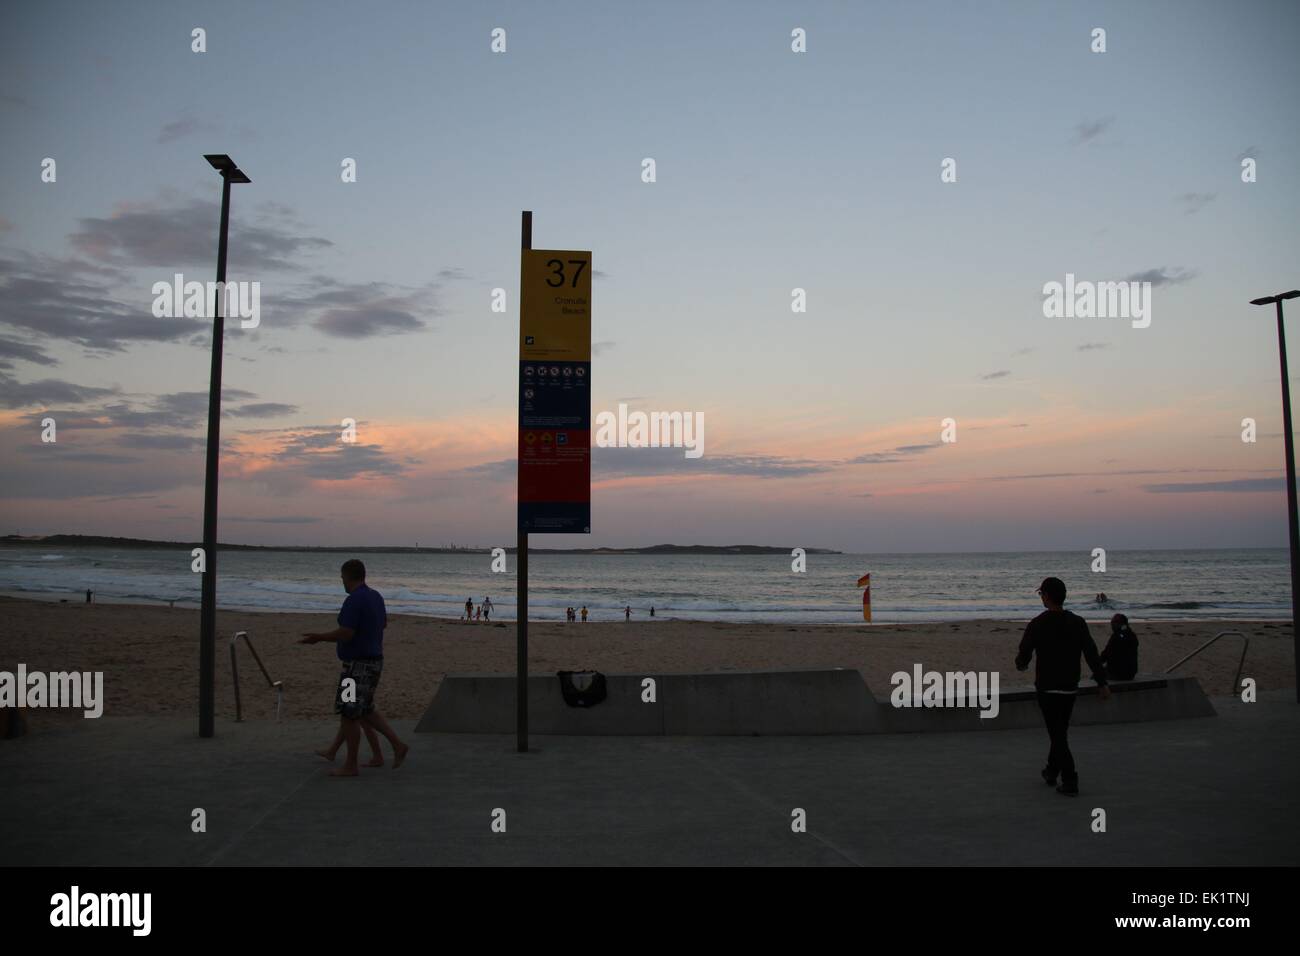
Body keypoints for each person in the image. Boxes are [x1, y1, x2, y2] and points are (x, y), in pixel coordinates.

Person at [301, 559, 409, 776]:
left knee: (350, 714)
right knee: (365, 710)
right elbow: (383, 623)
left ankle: (351, 765)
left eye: (342, 577)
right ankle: (397, 745)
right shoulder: (375, 596)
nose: (341, 581)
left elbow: (346, 632)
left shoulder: (354, 600)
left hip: (357, 667)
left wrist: (319, 638)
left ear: (348, 576)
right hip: (374, 662)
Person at [1015, 576, 1110, 797]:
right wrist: (1102, 682)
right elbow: (1091, 654)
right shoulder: (1077, 622)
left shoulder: (1038, 623)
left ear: (1047, 596)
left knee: (1057, 735)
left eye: (1041, 594)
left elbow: (1024, 653)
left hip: (1047, 689)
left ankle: (1069, 779)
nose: (1041, 598)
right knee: (1059, 731)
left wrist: (1021, 664)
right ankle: (1051, 770)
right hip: (1069, 687)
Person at [1100, 613, 1139, 681]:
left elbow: (1106, 654)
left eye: (1113, 623)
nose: (1111, 625)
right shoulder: (1132, 635)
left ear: (1118, 624)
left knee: (1097, 675)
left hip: (1117, 674)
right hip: (1131, 673)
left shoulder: (1116, 636)